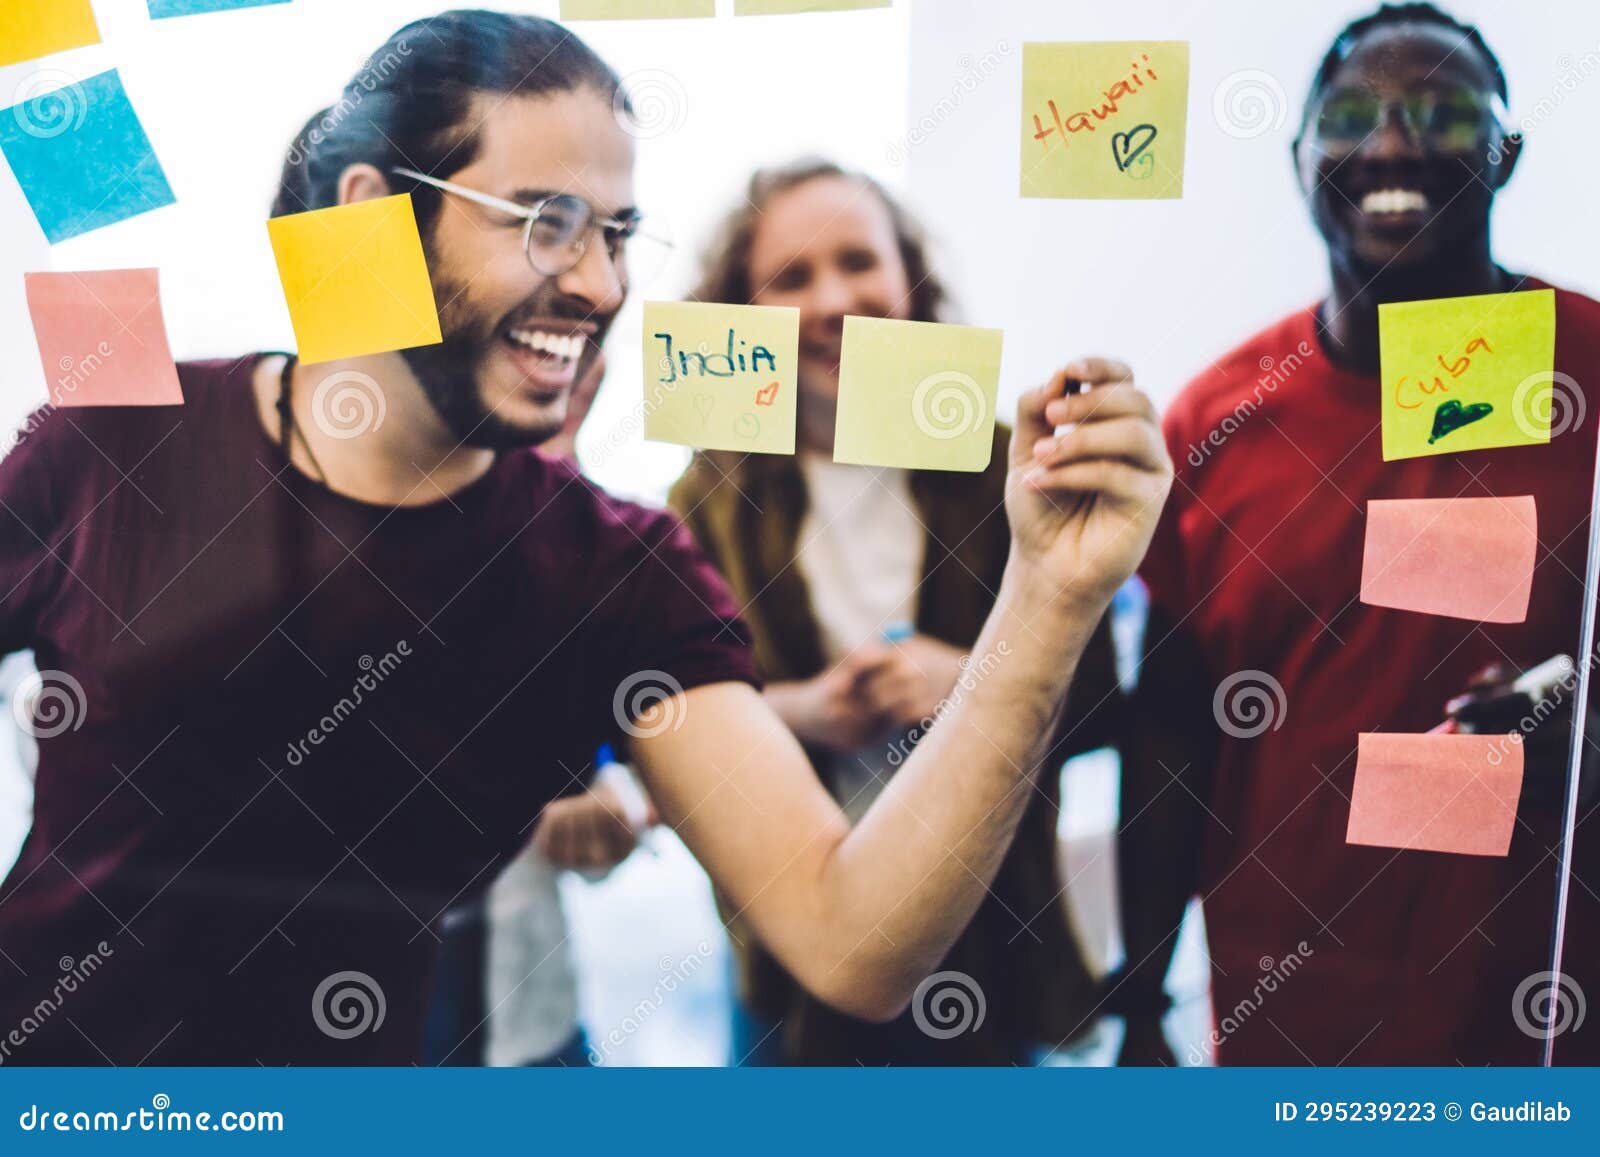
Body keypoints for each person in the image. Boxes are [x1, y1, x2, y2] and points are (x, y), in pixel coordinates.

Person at [0, 10, 1169, 1064]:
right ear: (373, 215)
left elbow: (850, 937)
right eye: (549, 223)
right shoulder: (115, 441)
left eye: (617, 232)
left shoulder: (612, 573)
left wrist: (1049, 595)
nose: (602, 283)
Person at [1108, 2, 1600, 1066]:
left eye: (1442, 113)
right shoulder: (1216, 421)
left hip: (1546, 1018)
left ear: (1506, 152)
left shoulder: (1591, 374)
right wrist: (1138, 1005)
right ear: (1297, 158)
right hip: (1295, 1020)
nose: (1391, 142)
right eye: (1351, 116)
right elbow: (1170, 734)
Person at [669, 159, 1117, 1065]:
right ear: (741, 315)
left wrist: (975, 680)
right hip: (785, 956)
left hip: (996, 942)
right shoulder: (707, 493)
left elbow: (1106, 700)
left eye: (858, 261)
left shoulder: (1010, 469)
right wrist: (801, 713)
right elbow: (665, 705)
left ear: (908, 280)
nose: (834, 298)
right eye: (791, 278)